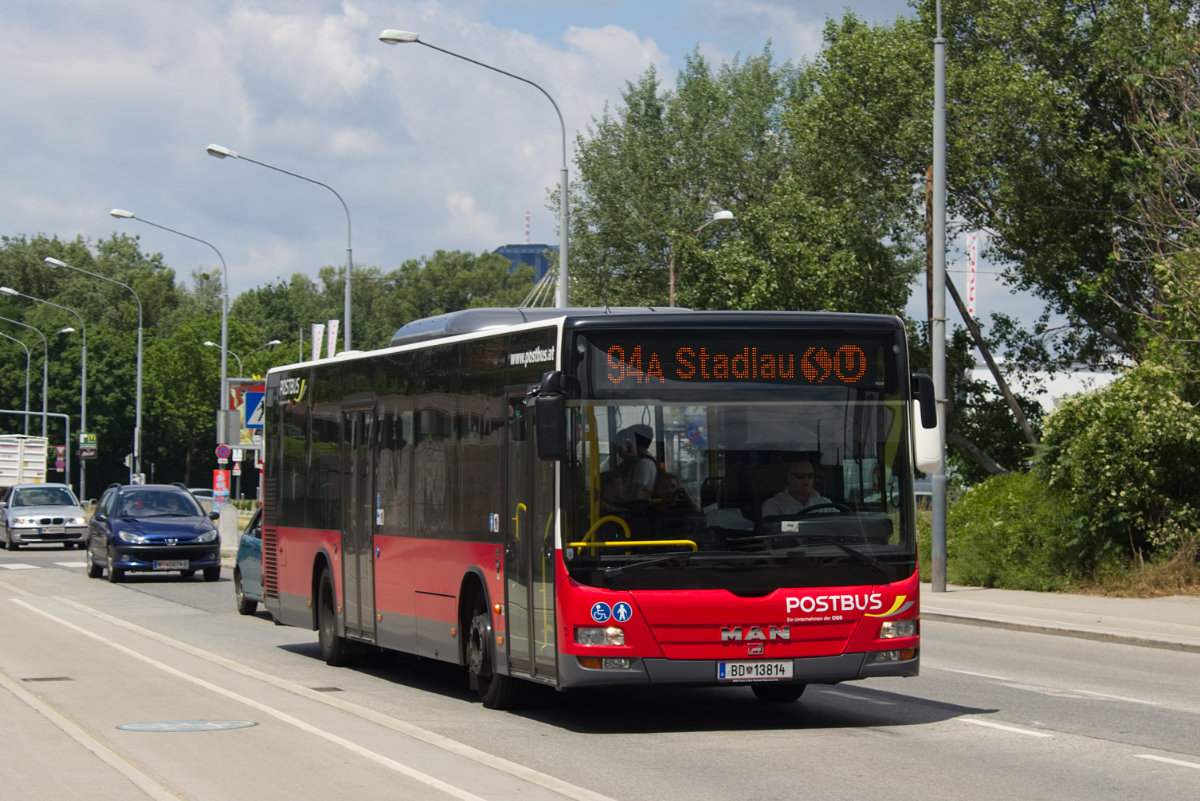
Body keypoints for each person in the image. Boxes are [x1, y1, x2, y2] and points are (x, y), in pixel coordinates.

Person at [761, 459, 833, 517]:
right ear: (789, 478)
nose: (806, 480)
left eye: (810, 476)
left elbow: (839, 525)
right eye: (800, 476)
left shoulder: (826, 504)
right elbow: (772, 530)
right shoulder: (774, 505)